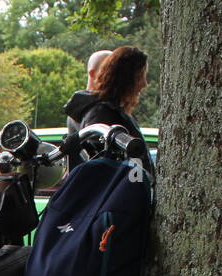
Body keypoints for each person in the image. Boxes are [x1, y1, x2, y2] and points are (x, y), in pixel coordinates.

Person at [63, 46, 155, 178]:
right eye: (140, 76)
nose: (144, 84)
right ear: (126, 78)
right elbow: (104, 167)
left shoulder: (101, 110)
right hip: (120, 195)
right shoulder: (102, 113)